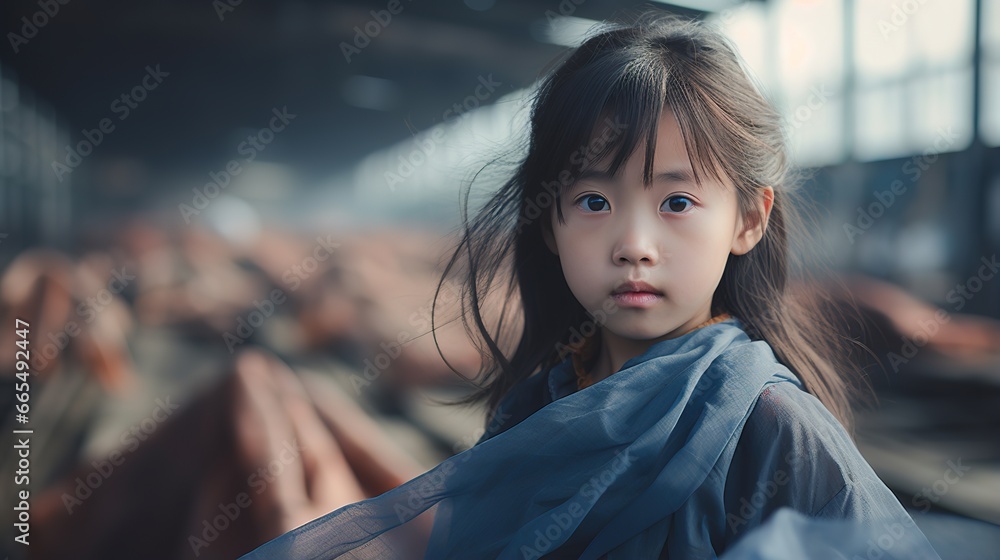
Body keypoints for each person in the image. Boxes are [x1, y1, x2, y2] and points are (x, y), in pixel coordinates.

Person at [239, 13, 943, 559]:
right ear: (549, 222)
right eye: (595, 203)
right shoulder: (539, 406)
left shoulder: (775, 431)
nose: (634, 247)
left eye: (677, 203)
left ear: (748, 220)